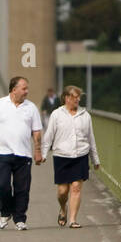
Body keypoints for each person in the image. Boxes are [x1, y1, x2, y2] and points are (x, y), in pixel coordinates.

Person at [38, 84, 100, 228]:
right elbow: (49, 136)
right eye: (74, 97)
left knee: (76, 187)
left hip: (80, 155)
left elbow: (91, 139)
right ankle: (63, 208)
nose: (77, 100)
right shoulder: (57, 114)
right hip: (62, 155)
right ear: (66, 98)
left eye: (79, 97)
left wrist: (95, 159)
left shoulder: (85, 115)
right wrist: (43, 154)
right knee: (62, 191)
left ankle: (73, 219)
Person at [0, 76, 43, 230]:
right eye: (24, 88)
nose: (27, 91)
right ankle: (5, 212)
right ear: (13, 89)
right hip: (3, 153)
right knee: (3, 186)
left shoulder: (31, 108)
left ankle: (19, 218)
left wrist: (38, 151)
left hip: (24, 155)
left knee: (22, 189)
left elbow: (36, 132)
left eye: (27, 88)